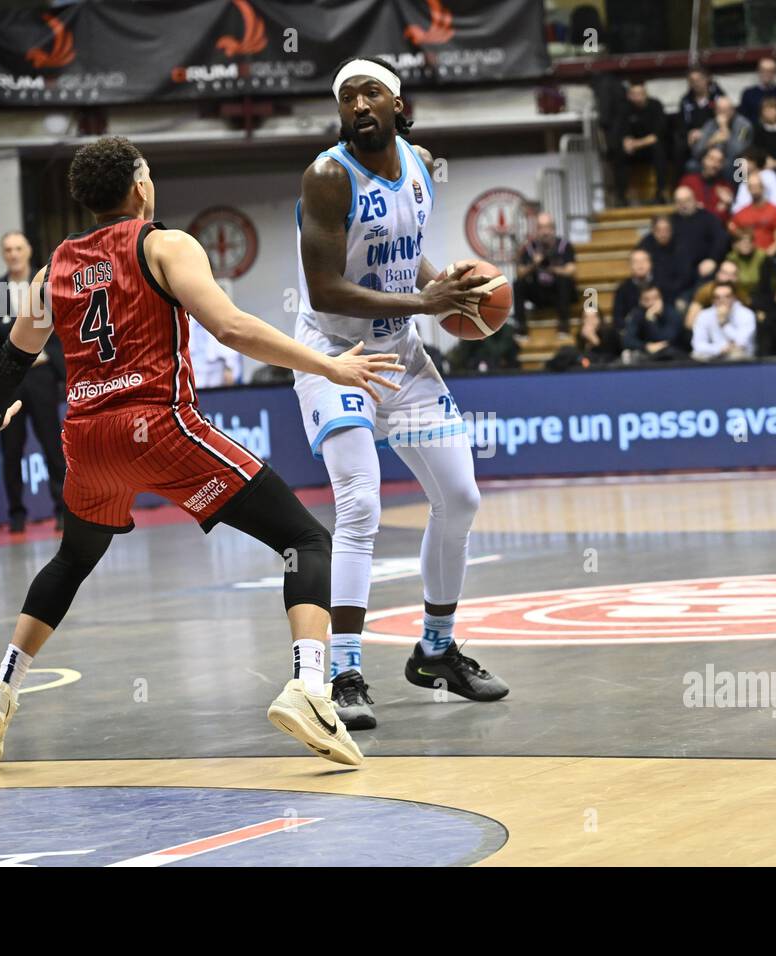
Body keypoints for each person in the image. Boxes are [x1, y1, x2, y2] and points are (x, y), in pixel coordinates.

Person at [0, 135, 404, 768]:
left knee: (72, 560)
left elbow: (14, 354)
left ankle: (0, 692)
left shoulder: (53, 267)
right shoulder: (164, 244)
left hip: (87, 438)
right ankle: (309, 688)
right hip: (158, 427)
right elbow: (232, 328)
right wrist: (327, 366)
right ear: (140, 186)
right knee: (305, 539)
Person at [294, 57, 510, 731]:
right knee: (359, 503)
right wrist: (425, 300)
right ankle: (346, 670)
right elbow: (327, 288)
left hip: (401, 355)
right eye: (347, 97)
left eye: (370, 92)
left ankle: (436, 652)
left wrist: (453, 294)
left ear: (397, 103)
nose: (358, 104)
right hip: (337, 355)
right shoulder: (328, 177)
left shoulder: (418, 163)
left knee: (462, 497)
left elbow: (406, 252)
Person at [0, 231, 67, 533]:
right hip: (13, 379)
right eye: (7, 249)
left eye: (18, 248)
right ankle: (16, 514)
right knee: (11, 449)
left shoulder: (48, 281)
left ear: (28, 250)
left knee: (52, 444)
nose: (13, 254)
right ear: (3, 253)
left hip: (42, 376)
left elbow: (62, 325)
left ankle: (62, 509)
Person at [513, 212, 578, 338]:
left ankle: (564, 325)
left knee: (563, 280)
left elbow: (572, 270)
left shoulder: (564, 246)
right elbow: (519, 272)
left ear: (553, 228)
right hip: (540, 294)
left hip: (560, 294)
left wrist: (551, 268)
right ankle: (520, 326)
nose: (545, 232)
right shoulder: (530, 248)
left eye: (547, 227)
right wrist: (534, 264)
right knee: (518, 284)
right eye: (541, 228)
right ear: (537, 230)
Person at [609, 79, 668, 205]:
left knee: (659, 150)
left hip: (649, 147)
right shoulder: (624, 108)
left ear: (645, 93)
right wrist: (625, 142)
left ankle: (660, 193)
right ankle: (621, 196)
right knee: (618, 153)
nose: (637, 97)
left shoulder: (655, 105)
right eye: (634, 94)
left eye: (640, 93)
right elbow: (620, 132)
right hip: (633, 150)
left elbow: (655, 137)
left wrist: (636, 143)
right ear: (629, 95)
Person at [691, 281, 755, 360]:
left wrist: (724, 324)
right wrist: (720, 349)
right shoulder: (704, 315)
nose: (722, 300)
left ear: (734, 297)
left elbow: (741, 342)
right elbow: (697, 344)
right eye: (717, 297)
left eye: (727, 296)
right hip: (713, 357)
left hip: (741, 360)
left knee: (737, 354)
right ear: (713, 300)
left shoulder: (746, 314)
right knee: (696, 354)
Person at [622, 284, 684, 361]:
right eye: (646, 300)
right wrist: (646, 346)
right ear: (640, 301)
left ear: (661, 299)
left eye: (655, 298)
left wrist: (651, 321)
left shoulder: (672, 313)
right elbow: (627, 340)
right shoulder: (637, 314)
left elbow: (666, 339)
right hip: (646, 356)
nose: (652, 303)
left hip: (672, 357)